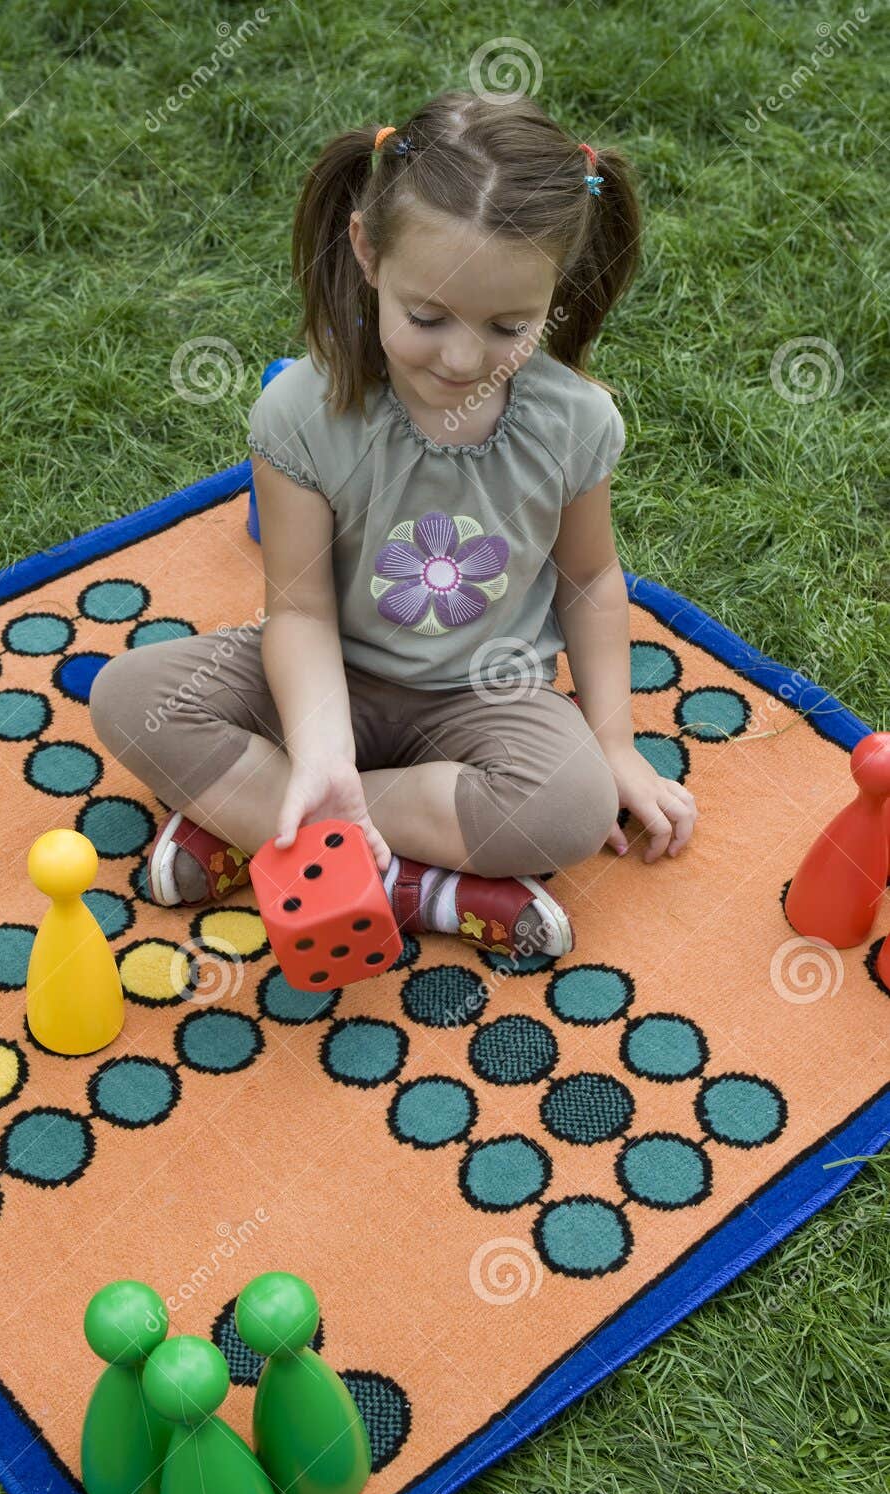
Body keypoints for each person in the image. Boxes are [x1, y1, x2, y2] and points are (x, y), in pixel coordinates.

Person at [89, 91, 698, 961]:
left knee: (571, 806)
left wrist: (613, 743)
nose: (460, 359)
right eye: (427, 317)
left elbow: (589, 580)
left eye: (508, 327)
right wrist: (321, 748)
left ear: (553, 293)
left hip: (489, 693)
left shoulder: (575, 422)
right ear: (367, 250)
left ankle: (275, 830)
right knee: (131, 700)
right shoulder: (301, 412)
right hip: (326, 672)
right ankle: (425, 888)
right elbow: (298, 614)